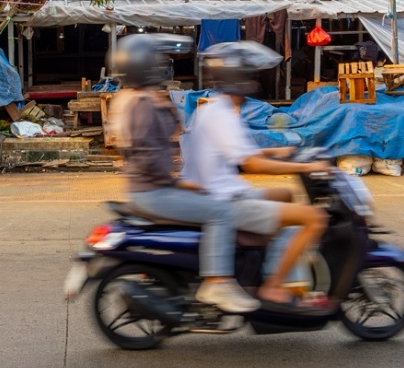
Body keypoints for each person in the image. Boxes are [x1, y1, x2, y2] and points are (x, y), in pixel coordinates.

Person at [111, 33, 259, 315]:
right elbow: (150, 159)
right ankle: (217, 281)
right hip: (153, 191)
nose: (163, 65)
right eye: (156, 60)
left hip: (147, 188)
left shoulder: (132, 99)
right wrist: (178, 184)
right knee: (222, 212)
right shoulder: (142, 104)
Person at [183, 41, 330, 309]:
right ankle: (274, 285)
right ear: (238, 78)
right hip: (226, 200)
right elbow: (252, 165)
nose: (254, 80)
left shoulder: (216, 108)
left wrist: (281, 151)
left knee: (284, 195)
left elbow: (240, 150)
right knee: (315, 218)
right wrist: (306, 167)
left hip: (221, 191)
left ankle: (269, 263)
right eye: (249, 74)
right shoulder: (222, 115)